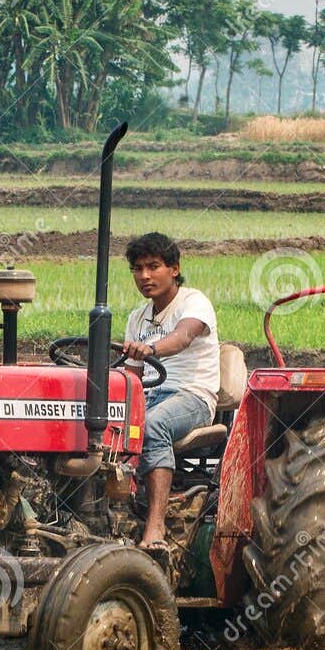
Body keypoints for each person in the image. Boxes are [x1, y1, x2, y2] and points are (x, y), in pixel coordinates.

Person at [119, 232, 220, 549]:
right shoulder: (138, 317)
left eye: (154, 266)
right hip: (149, 396)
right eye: (138, 269)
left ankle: (156, 526)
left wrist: (150, 349)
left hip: (191, 397)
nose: (145, 276)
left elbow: (182, 338)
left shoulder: (193, 302)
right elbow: (130, 378)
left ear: (174, 268)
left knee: (153, 426)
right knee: (102, 427)